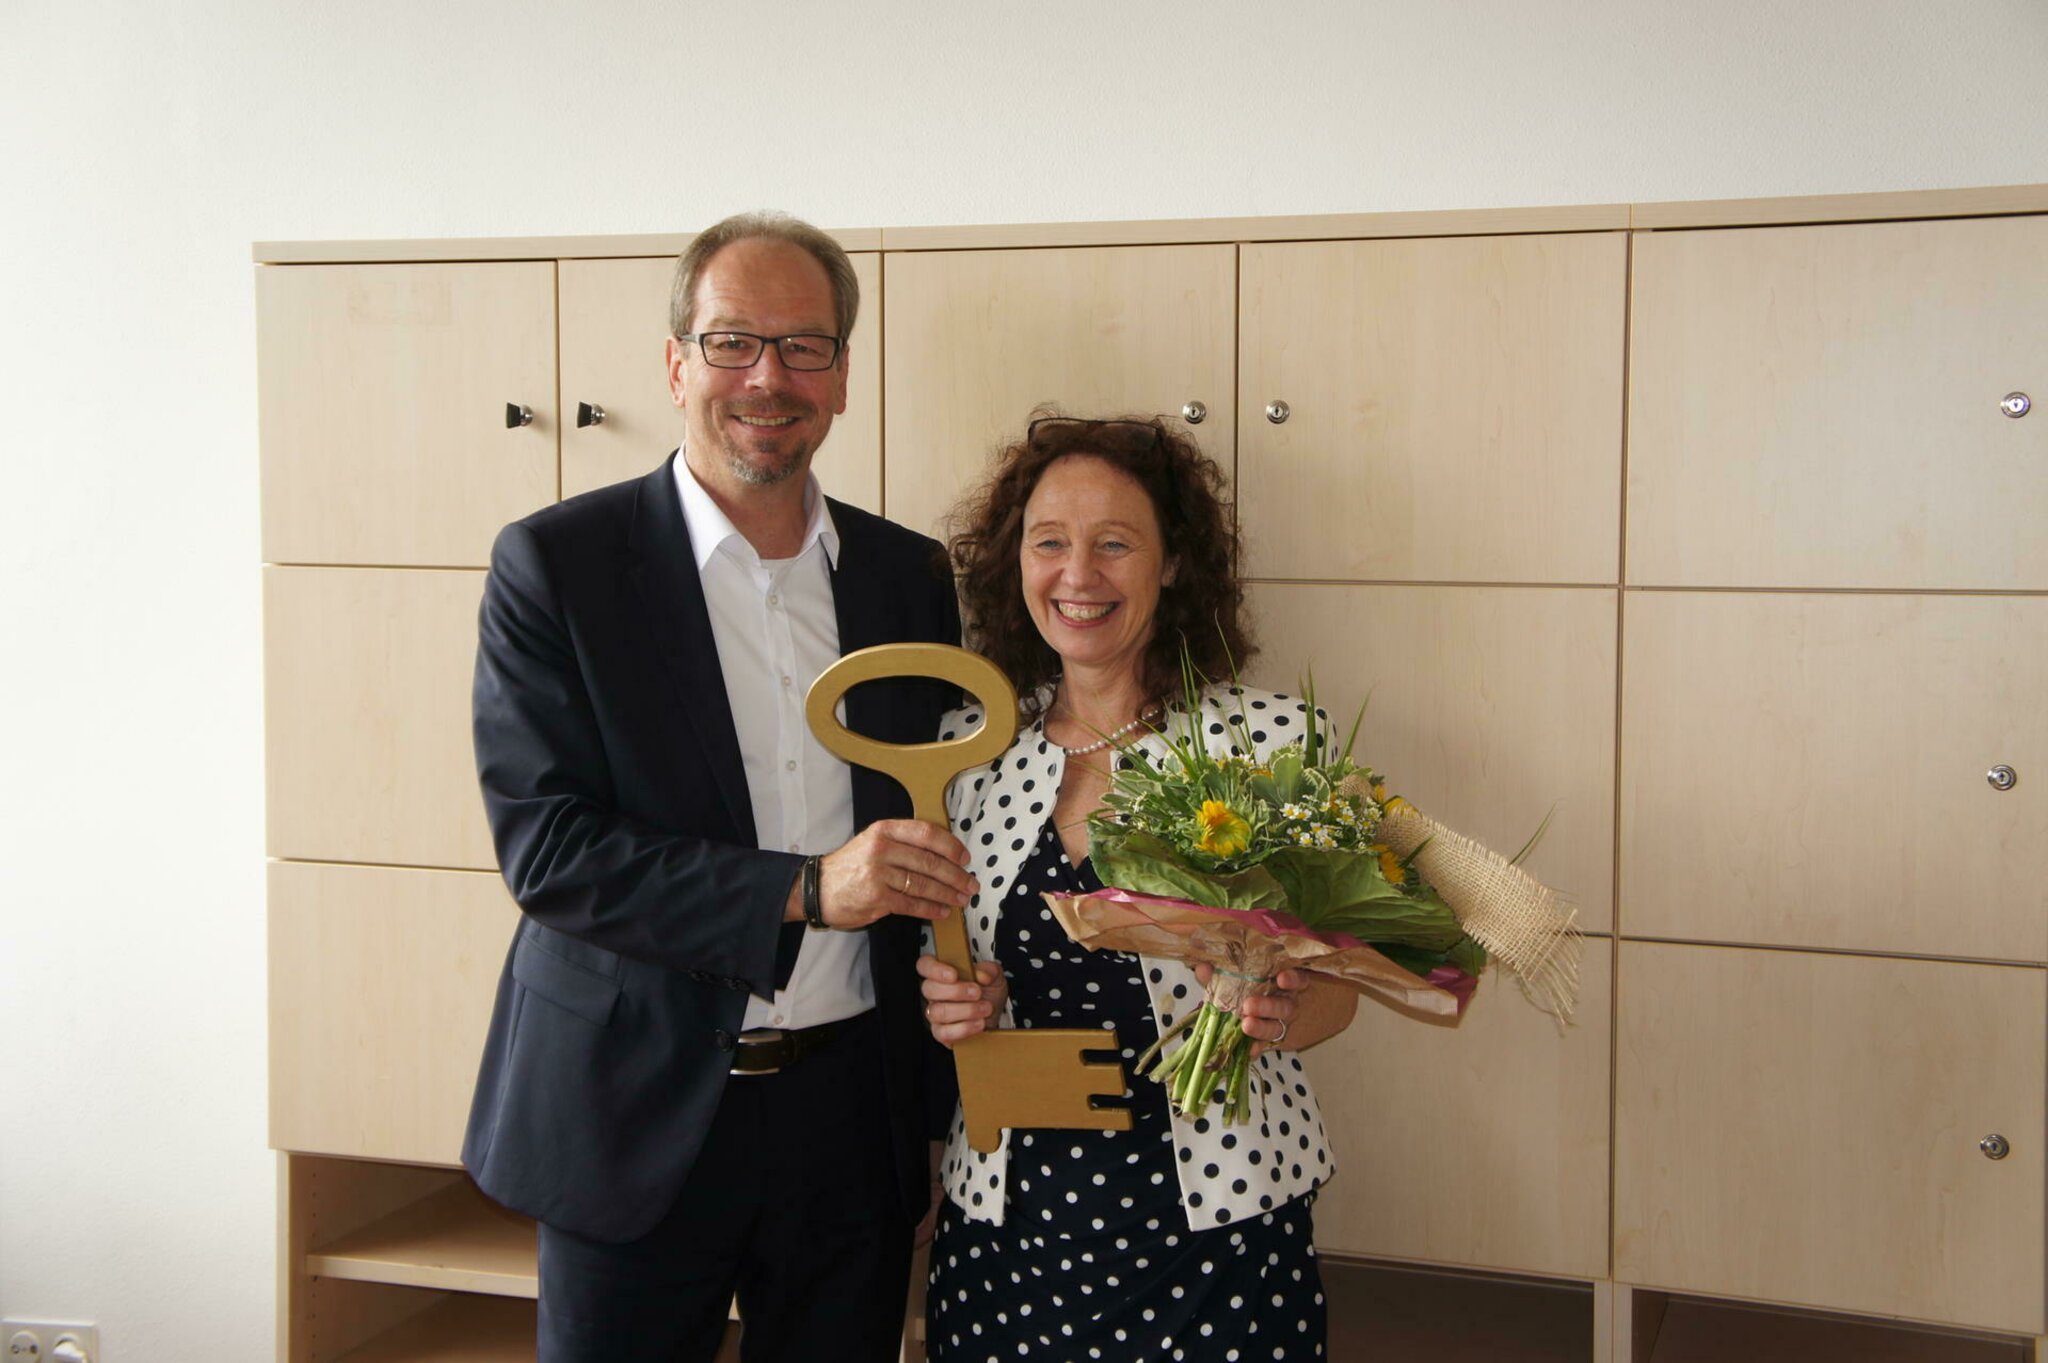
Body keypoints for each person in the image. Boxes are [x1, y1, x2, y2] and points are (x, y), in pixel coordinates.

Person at [462, 210, 974, 1363]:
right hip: (629, 1106)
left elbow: (944, 816)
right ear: (675, 363)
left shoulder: (908, 577)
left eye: (803, 346)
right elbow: (549, 851)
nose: (767, 378)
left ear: (842, 375)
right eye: (733, 341)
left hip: (852, 1118)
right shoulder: (556, 567)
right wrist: (803, 888)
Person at [917, 414, 1359, 1361]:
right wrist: (961, 999)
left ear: (1171, 565)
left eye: (1115, 543)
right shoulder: (969, 750)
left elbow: (1339, 992)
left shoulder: (1274, 742)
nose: (1079, 575)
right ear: (1015, 564)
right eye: (1050, 542)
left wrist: (1276, 1006)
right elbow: (951, 967)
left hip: (1218, 1220)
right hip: (1010, 1218)